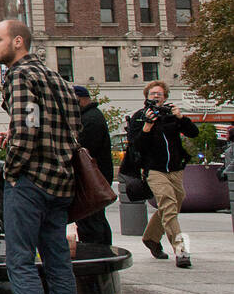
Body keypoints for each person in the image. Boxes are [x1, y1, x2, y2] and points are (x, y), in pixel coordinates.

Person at [0, 19, 80, 294]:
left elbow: (26, 132)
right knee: (59, 268)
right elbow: (72, 131)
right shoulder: (57, 79)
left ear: (18, 42)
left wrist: (11, 170)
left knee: (21, 265)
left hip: (30, 184)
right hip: (61, 183)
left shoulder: (19, 76)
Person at [127, 80, 198, 268]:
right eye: (152, 94)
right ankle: (181, 251)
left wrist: (181, 118)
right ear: (146, 97)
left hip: (175, 169)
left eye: (159, 94)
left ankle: (150, 238)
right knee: (168, 205)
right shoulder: (140, 117)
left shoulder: (171, 116)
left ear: (165, 97)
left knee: (173, 205)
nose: (156, 96)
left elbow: (193, 133)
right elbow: (136, 146)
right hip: (154, 170)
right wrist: (147, 128)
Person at [73, 85, 113, 247]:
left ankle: (98, 252)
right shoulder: (91, 116)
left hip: (93, 179)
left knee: (91, 219)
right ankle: (102, 250)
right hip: (95, 177)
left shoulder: (90, 119)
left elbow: (82, 148)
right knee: (94, 218)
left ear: (79, 100)